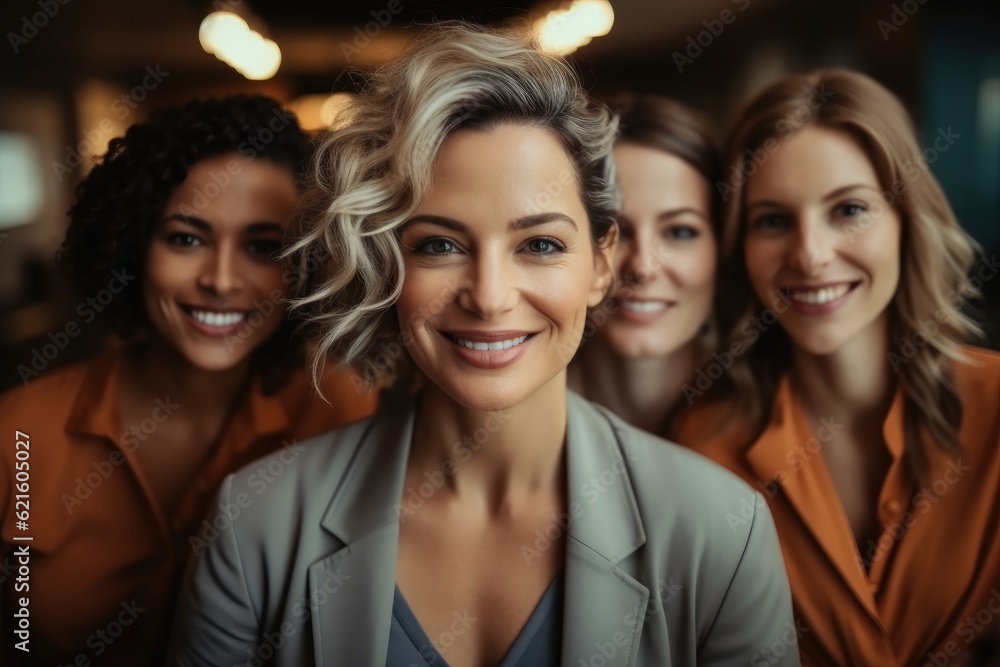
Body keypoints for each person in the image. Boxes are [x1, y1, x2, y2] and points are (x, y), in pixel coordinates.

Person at [168, 23, 799, 667]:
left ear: (601, 265)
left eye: (541, 245)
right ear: (386, 266)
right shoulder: (254, 525)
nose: (490, 296)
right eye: (439, 244)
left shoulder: (724, 531)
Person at [0, 95, 376, 666]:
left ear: (306, 263)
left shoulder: (339, 411)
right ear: (131, 247)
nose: (222, 280)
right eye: (186, 238)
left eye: (262, 247)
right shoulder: (17, 435)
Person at [674, 69, 1000, 666]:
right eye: (772, 219)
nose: (811, 254)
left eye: (848, 209)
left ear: (907, 221)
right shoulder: (701, 448)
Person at [569, 94, 721, 436]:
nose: (643, 266)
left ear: (721, 246)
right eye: (615, 231)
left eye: (680, 231)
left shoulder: (772, 429)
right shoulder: (516, 424)